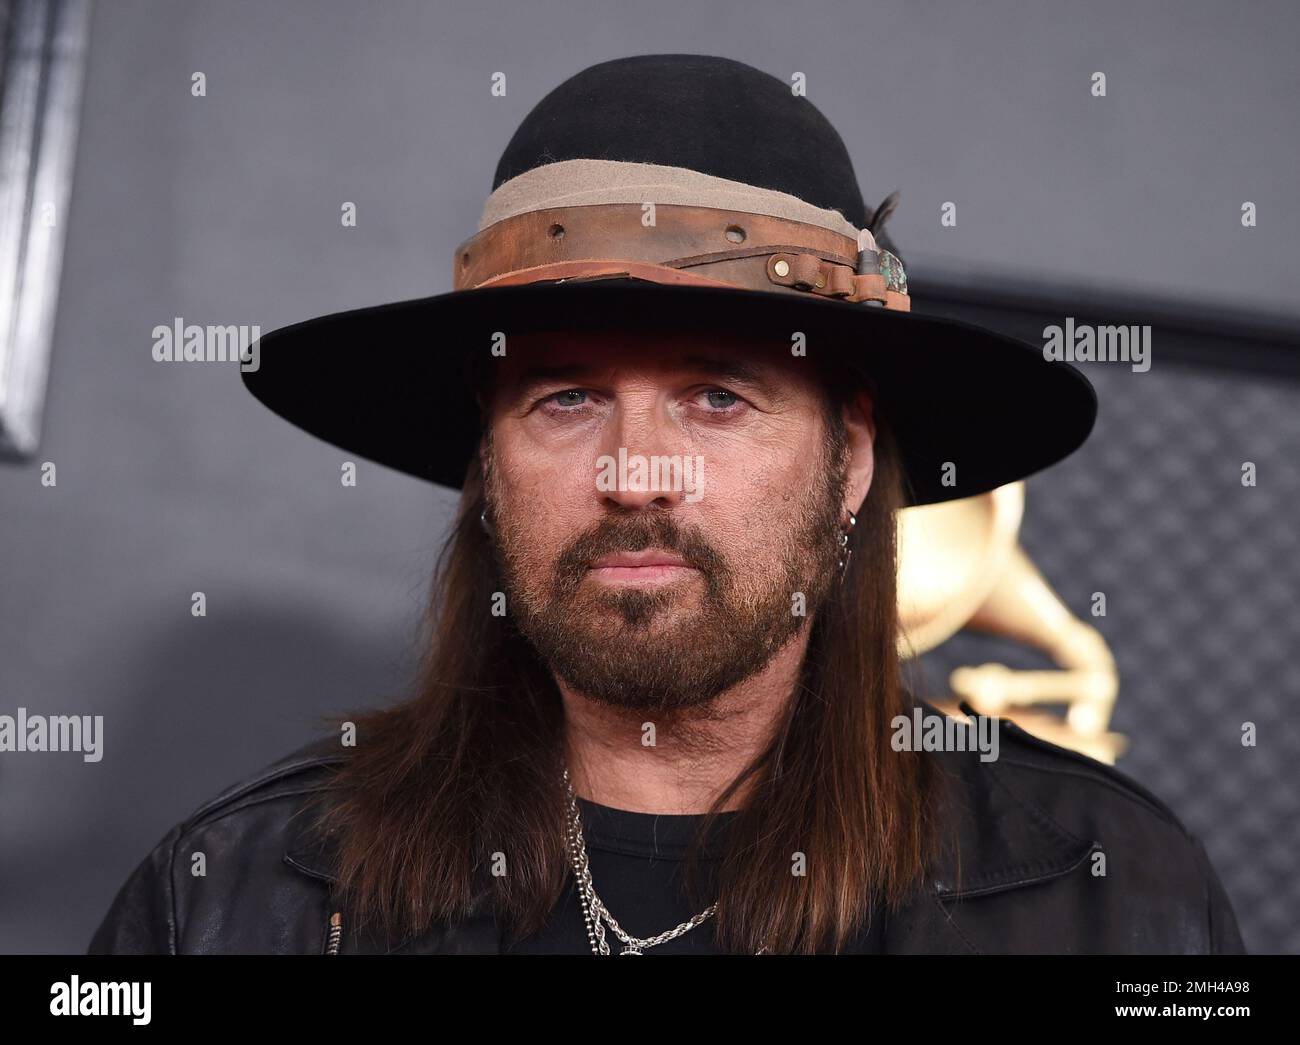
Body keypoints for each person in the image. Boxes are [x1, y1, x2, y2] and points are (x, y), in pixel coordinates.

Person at [88, 53, 1244, 955]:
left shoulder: (1103, 891)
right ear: (487, 466)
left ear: (848, 462)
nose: (638, 471)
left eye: (717, 396)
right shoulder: (236, 893)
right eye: (566, 397)